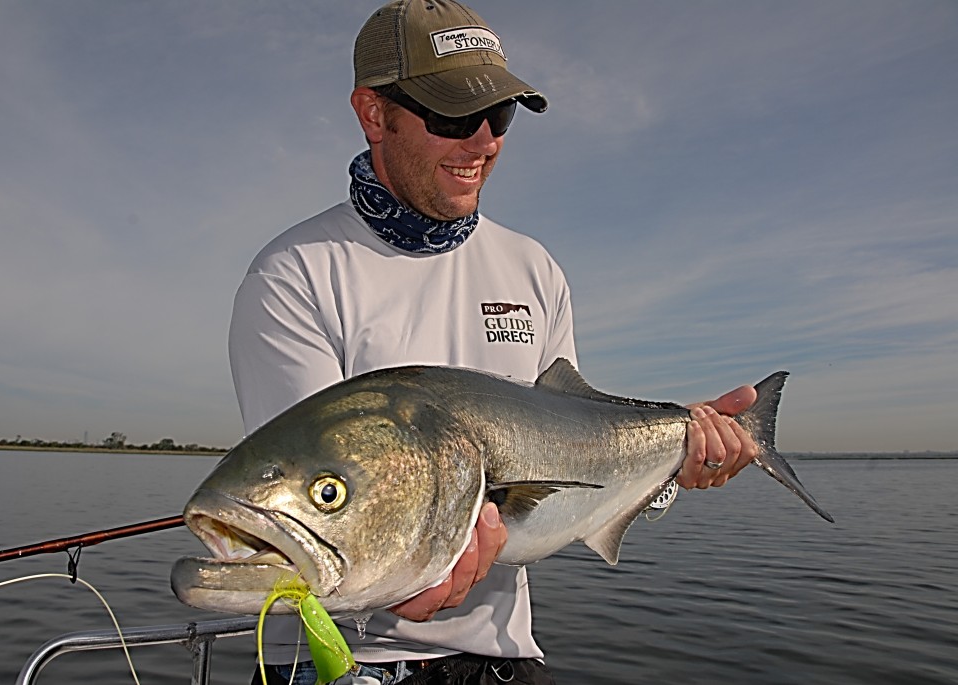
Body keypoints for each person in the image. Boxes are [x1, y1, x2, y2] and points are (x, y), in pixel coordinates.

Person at [229, 1, 758, 683]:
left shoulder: (533, 268)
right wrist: (399, 582)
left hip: (504, 661)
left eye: (499, 115)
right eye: (452, 117)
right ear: (373, 114)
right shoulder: (294, 274)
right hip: (345, 663)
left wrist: (671, 468)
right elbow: (310, 506)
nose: (482, 142)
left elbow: (579, 447)